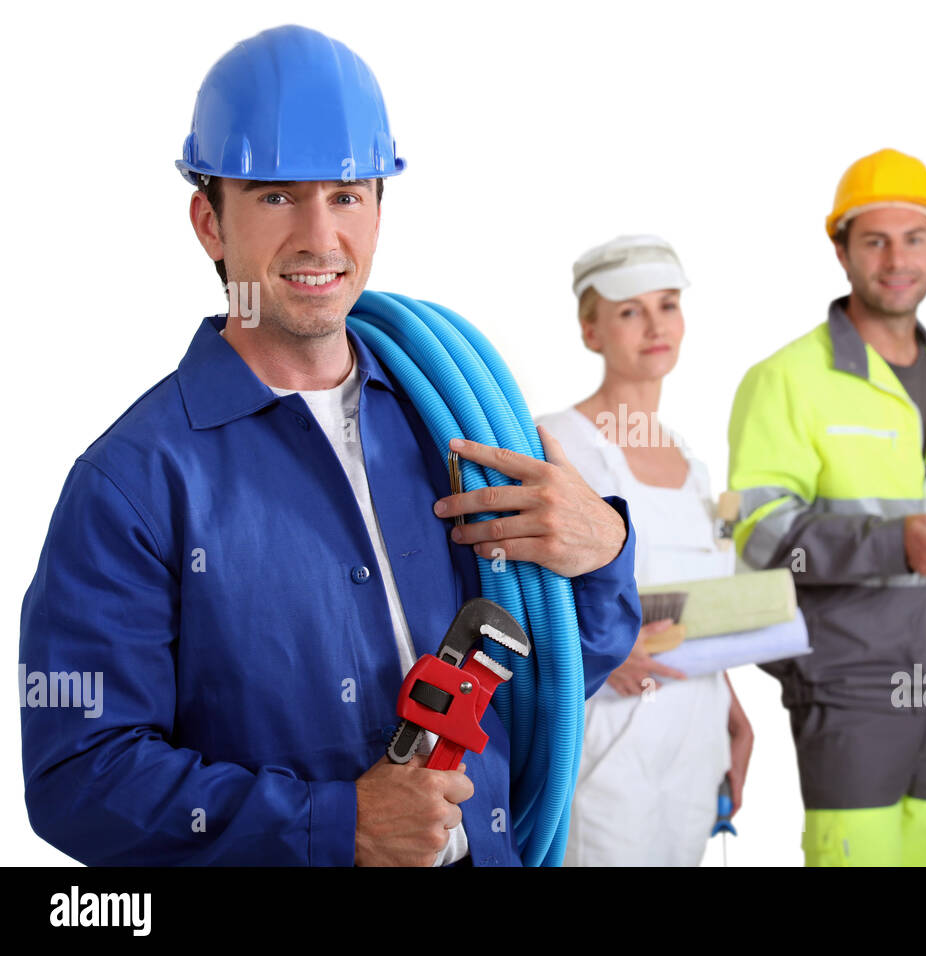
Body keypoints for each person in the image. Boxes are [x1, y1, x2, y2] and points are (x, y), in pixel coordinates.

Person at [18, 25, 640, 867]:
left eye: (346, 194)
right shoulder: (133, 483)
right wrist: (331, 823)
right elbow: (80, 778)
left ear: (380, 208)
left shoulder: (451, 421)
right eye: (277, 196)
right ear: (210, 221)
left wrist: (605, 552)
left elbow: (551, 679)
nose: (319, 236)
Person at [727, 149, 926, 866]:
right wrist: (892, 545)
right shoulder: (786, 379)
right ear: (841, 250)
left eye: (915, 237)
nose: (897, 258)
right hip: (851, 690)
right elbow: (758, 536)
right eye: (874, 240)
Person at [536, 234, 754, 866]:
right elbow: (511, 598)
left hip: (694, 738)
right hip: (607, 743)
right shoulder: (557, 445)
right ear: (590, 329)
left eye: (668, 304)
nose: (655, 325)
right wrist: (603, 647)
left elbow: (700, 612)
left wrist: (734, 712)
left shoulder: (693, 464)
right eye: (630, 310)